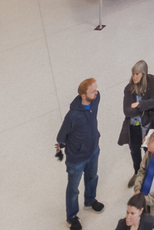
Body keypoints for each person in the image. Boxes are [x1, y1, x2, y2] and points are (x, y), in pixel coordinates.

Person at [55, 78, 105, 230]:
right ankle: (71, 217)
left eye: (96, 89)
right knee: (73, 189)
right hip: (77, 158)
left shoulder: (96, 99)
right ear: (83, 96)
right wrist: (64, 147)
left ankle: (90, 200)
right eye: (92, 91)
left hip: (93, 150)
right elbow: (61, 137)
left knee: (92, 177)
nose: (96, 93)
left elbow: (96, 97)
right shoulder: (72, 116)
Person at [119, 60, 154, 186]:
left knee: (149, 149)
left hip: (147, 123)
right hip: (133, 126)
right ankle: (137, 173)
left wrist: (138, 105)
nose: (134, 77)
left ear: (143, 74)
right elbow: (127, 111)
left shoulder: (151, 80)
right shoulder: (128, 88)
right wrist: (144, 107)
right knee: (134, 151)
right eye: (133, 74)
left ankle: (151, 172)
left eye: (137, 74)